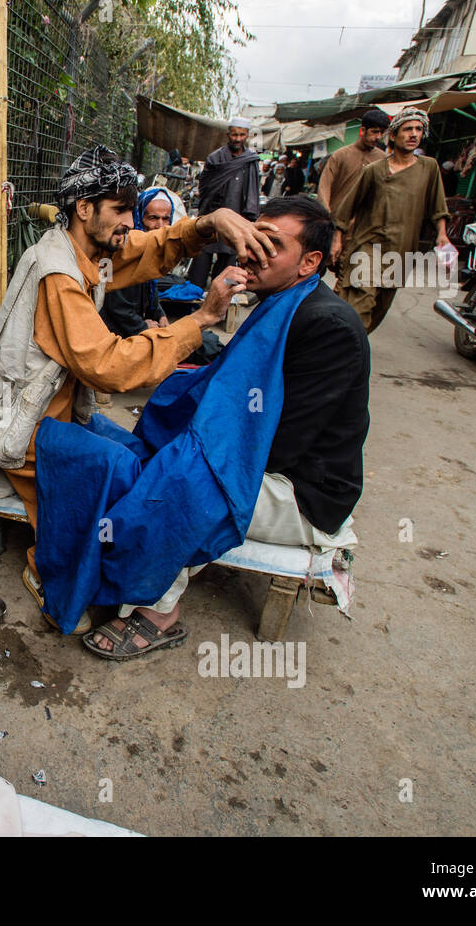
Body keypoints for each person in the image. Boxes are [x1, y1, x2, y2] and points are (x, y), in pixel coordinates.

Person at [0, 144, 276, 635]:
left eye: (133, 209)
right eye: (121, 210)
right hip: (18, 425)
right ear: (84, 209)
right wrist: (201, 319)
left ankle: (109, 562)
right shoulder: (60, 276)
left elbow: (151, 249)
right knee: (105, 476)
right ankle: (49, 571)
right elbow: (108, 366)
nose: (131, 221)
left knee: (138, 456)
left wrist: (210, 222)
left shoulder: (90, 252)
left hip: (55, 413)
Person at [85, 197, 369, 657]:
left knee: (177, 485)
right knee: (145, 441)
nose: (251, 249)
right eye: (251, 236)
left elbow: (278, 447)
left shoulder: (328, 326)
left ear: (309, 262)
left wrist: (194, 450)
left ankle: (158, 611)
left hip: (299, 491)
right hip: (264, 460)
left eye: (271, 244)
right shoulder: (280, 302)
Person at [331, 107, 453, 333]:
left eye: (418, 129)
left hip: (401, 250)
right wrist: (337, 240)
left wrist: (442, 234)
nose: (413, 134)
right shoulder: (375, 170)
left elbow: (438, 206)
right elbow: (347, 208)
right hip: (367, 247)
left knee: (378, 308)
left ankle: (347, 345)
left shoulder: (429, 168)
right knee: (360, 304)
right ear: (394, 135)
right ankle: (346, 353)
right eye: (407, 129)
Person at [186, 117, 261, 292]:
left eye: (241, 135)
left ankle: (222, 296)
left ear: (247, 135)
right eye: (234, 134)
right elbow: (205, 186)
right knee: (203, 253)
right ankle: (193, 296)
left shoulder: (250, 160)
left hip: (237, 215)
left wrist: (249, 218)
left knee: (229, 258)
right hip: (213, 214)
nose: (237, 138)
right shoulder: (216, 157)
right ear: (228, 134)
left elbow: (252, 190)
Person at [100, 187, 180, 337]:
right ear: (139, 216)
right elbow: (112, 304)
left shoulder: (152, 253)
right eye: (153, 218)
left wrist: (160, 316)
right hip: (113, 332)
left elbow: (152, 294)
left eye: (166, 218)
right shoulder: (114, 249)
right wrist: (142, 326)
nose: (160, 226)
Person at [317, 109, 389, 211]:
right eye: (374, 132)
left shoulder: (383, 159)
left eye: (382, 132)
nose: (378, 137)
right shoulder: (340, 155)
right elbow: (324, 187)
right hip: (336, 220)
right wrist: (326, 213)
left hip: (365, 223)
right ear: (363, 130)